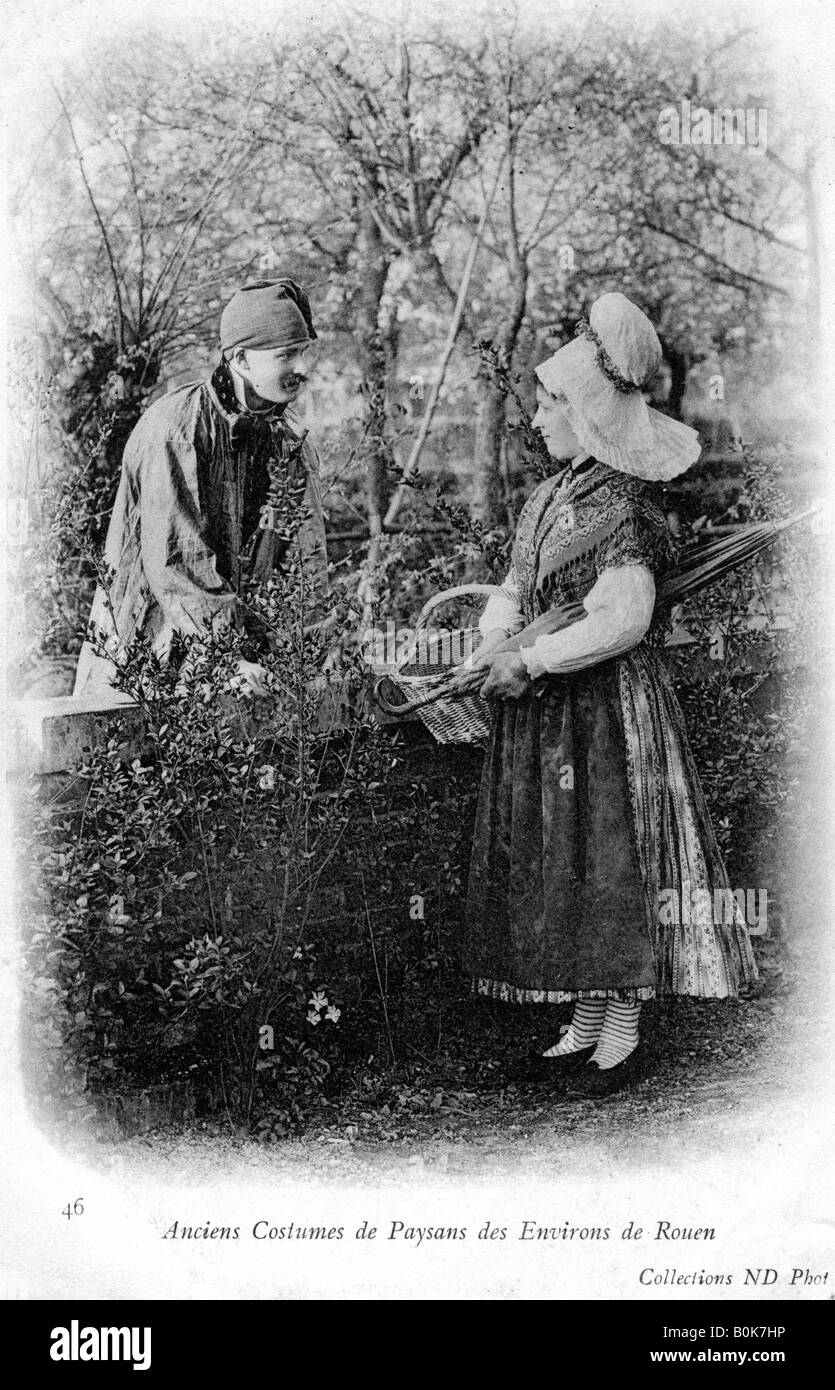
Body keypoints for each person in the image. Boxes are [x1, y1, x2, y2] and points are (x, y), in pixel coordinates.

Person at [463, 292, 758, 1096]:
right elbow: (516, 583)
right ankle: (584, 1020)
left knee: (609, 859)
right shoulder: (550, 496)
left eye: (550, 402)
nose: (535, 416)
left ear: (589, 414)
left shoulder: (627, 503)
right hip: (549, 711)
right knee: (566, 864)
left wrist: (535, 661)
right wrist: (493, 642)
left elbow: (623, 620)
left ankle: (620, 1024)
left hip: (606, 712)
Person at [73, 278, 329, 700]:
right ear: (241, 358)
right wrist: (226, 658)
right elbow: (176, 562)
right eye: (286, 355)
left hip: (244, 667)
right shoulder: (175, 431)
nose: (302, 368)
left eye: (303, 352)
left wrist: (301, 656)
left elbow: (306, 560)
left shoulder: (290, 442)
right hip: (144, 646)